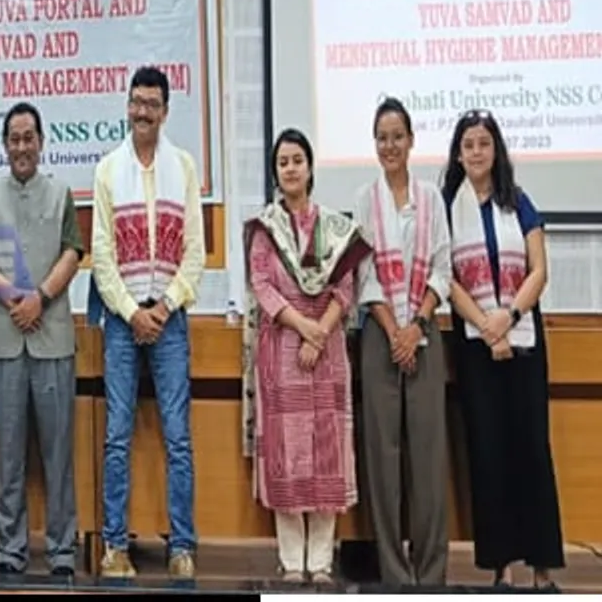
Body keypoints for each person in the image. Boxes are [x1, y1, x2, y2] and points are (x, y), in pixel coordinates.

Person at [90, 66, 205, 579]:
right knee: (116, 436)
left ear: (165, 110)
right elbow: (101, 254)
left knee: (178, 438)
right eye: (136, 102)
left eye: (152, 103)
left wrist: (163, 307)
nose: (142, 111)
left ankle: (182, 547)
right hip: (121, 321)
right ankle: (114, 547)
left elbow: (196, 254)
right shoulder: (108, 170)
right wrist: (132, 312)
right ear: (127, 105)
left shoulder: (184, 167)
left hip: (170, 319)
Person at [241, 128, 370, 584]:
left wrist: (322, 332)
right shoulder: (265, 229)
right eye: (283, 161)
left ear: (310, 167)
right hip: (283, 350)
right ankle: (292, 561)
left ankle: (321, 560)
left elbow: (346, 286)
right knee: (288, 449)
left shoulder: (335, 227)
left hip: (328, 350)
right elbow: (262, 286)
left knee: (325, 450)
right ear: (276, 172)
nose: (291, 168)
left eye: (298, 159)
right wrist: (303, 328)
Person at [441, 109, 563, 590]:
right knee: (488, 455)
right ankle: (502, 570)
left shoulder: (520, 201)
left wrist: (507, 319)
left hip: (525, 341)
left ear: (496, 151)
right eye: (468, 144)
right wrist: (486, 327)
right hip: (474, 347)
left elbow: (539, 270)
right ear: (458, 152)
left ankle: (542, 569)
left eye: (483, 144)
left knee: (532, 451)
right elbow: (446, 278)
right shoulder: (448, 205)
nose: (475, 152)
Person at [0, 102, 83, 577]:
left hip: (52, 337)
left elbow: (74, 252)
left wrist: (41, 297)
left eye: (28, 137)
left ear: (41, 140)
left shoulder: (61, 194)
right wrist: (15, 297)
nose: (21, 147)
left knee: (58, 454)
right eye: (13, 139)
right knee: (8, 454)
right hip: (5, 339)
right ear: (4, 143)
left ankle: (61, 550)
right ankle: (10, 550)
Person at [351, 98, 451, 587]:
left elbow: (443, 268)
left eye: (397, 136)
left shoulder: (431, 198)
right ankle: (395, 575)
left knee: (429, 459)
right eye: (382, 137)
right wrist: (394, 332)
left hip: (425, 335)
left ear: (411, 140)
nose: (390, 145)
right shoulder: (364, 199)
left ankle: (431, 575)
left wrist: (416, 328)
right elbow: (364, 276)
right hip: (380, 337)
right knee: (383, 460)